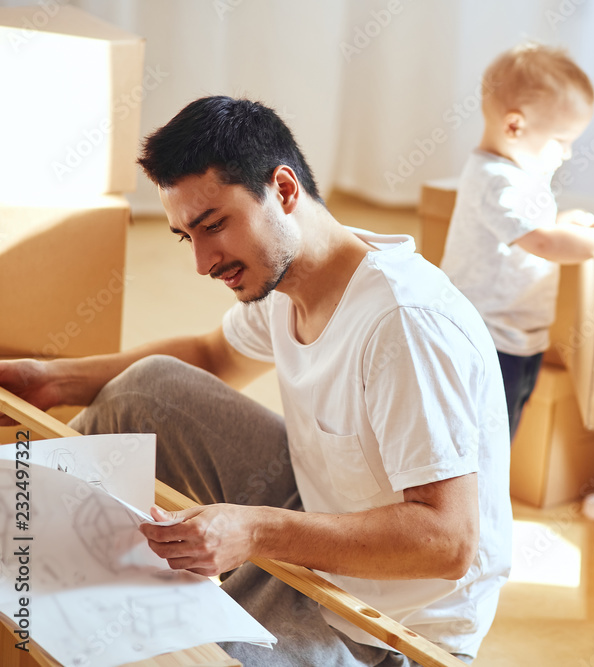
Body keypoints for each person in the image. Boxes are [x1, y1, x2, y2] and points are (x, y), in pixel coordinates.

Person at [0, 96, 512, 666]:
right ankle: (21, 533)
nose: (201, 262)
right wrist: (52, 380)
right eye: (184, 236)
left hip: (384, 628)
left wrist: (258, 532)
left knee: (156, 649)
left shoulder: (403, 325)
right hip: (320, 513)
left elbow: (449, 541)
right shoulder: (288, 278)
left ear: (284, 191)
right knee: (150, 387)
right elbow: (209, 355)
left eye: (213, 226)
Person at [440, 42, 594, 439]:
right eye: (561, 140)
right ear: (514, 126)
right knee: (484, 440)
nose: (569, 153)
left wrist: (563, 222)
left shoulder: (520, 177)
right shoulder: (496, 181)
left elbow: (531, 231)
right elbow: (543, 244)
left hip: (521, 336)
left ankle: (485, 495)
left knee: (508, 427)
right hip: (487, 338)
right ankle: (472, 501)